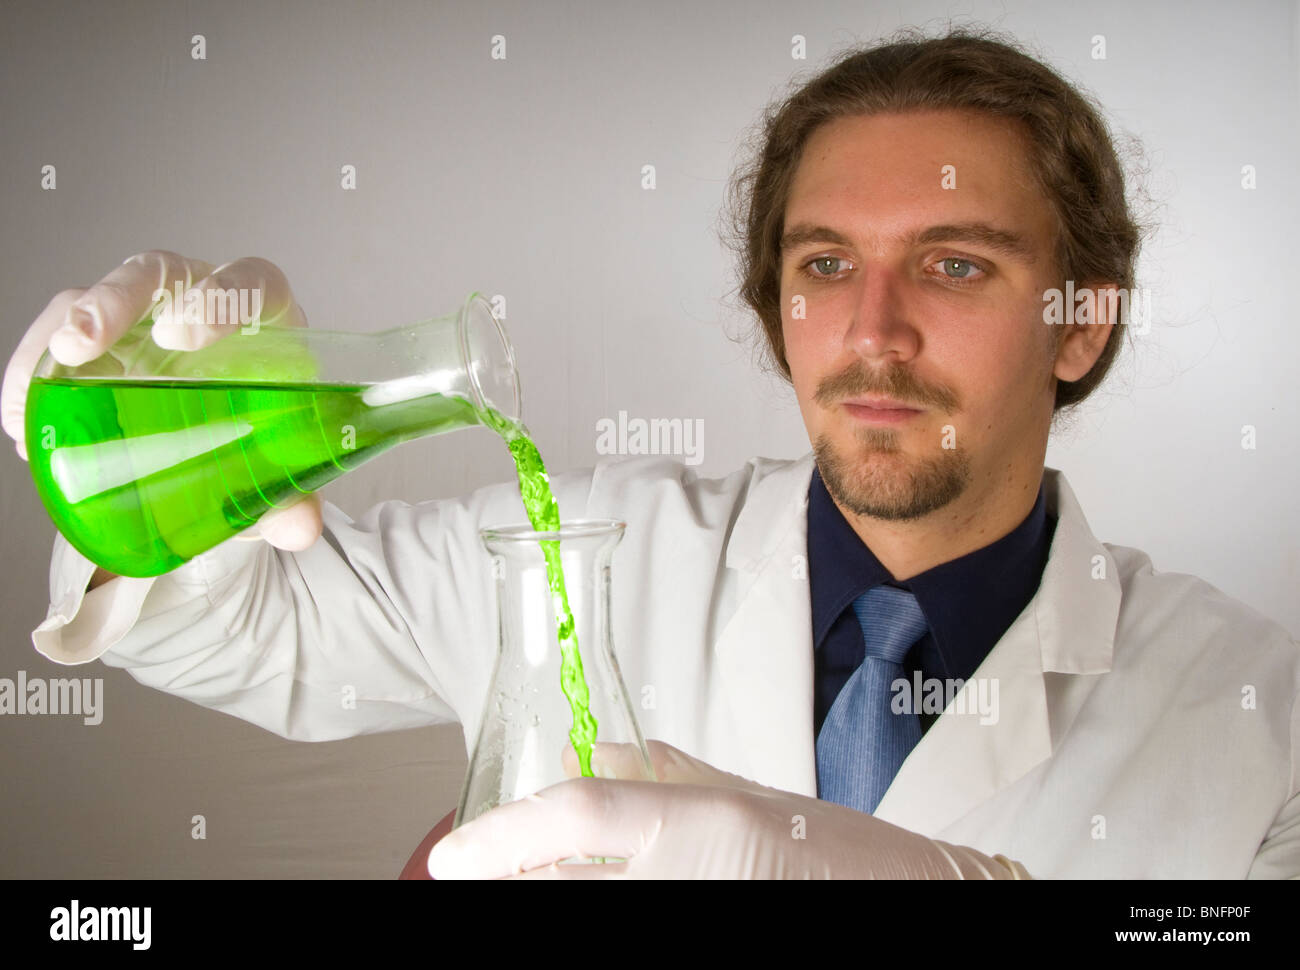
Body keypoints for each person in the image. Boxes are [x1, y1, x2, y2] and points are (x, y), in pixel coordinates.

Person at [4, 28, 1297, 879]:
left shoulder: (1260, 718)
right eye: (825, 265)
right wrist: (179, 444)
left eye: (955, 265)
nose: (873, 331)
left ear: (1082, 322)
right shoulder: (585, 551)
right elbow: (225, 631)